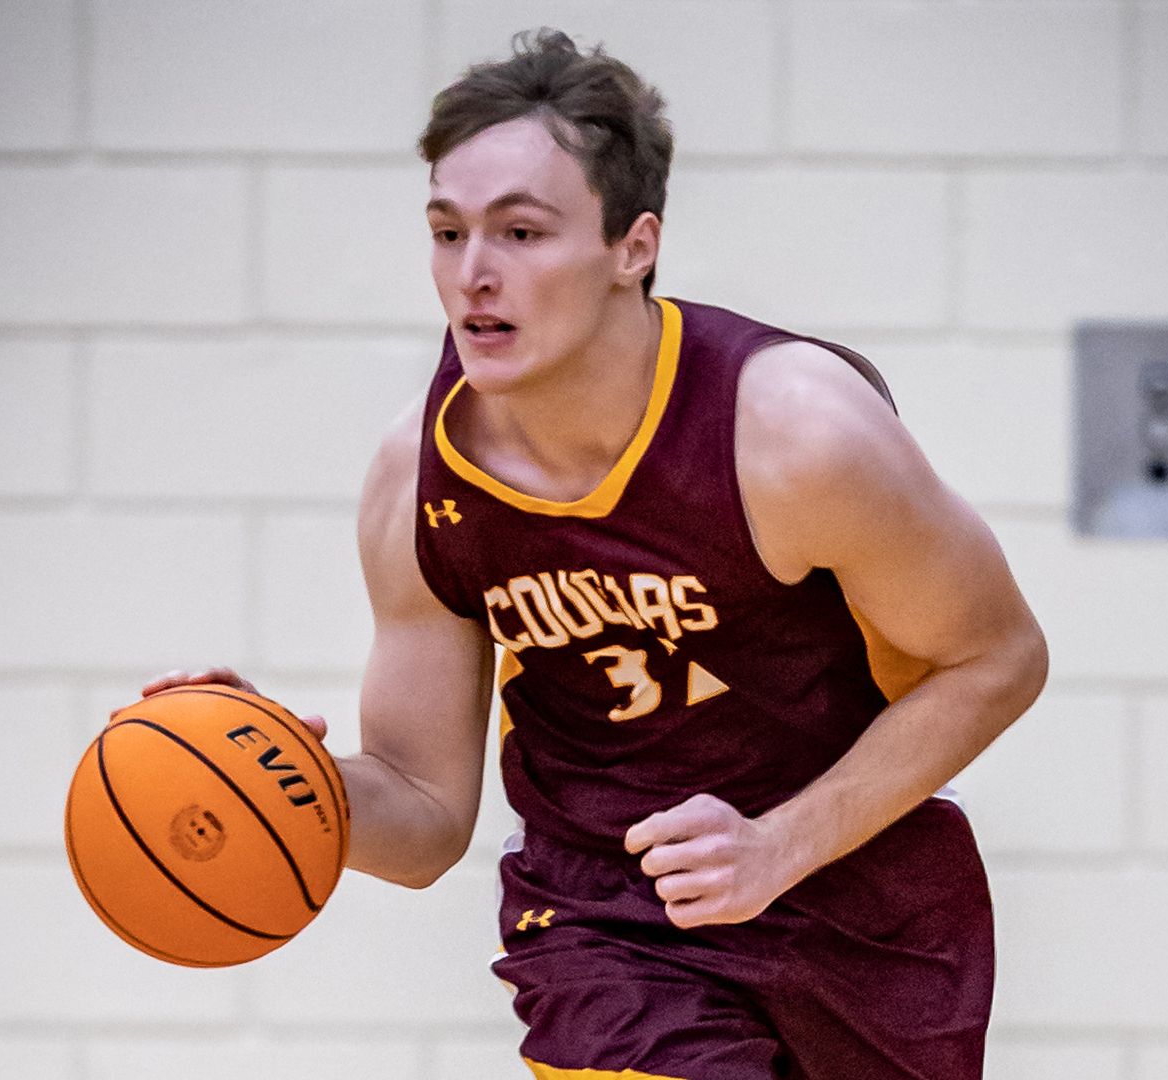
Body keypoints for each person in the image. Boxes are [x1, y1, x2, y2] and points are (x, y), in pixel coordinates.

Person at [144, 29, 1047, 1080]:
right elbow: (427, 813)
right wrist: (285, 781)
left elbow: (996, 660)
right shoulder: (419, 482)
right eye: (448, 232)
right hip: (607, 929)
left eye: (522, 232)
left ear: (635, 245)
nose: (474, 274)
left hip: (856, 904)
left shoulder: (795, 432)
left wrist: (779, 846)